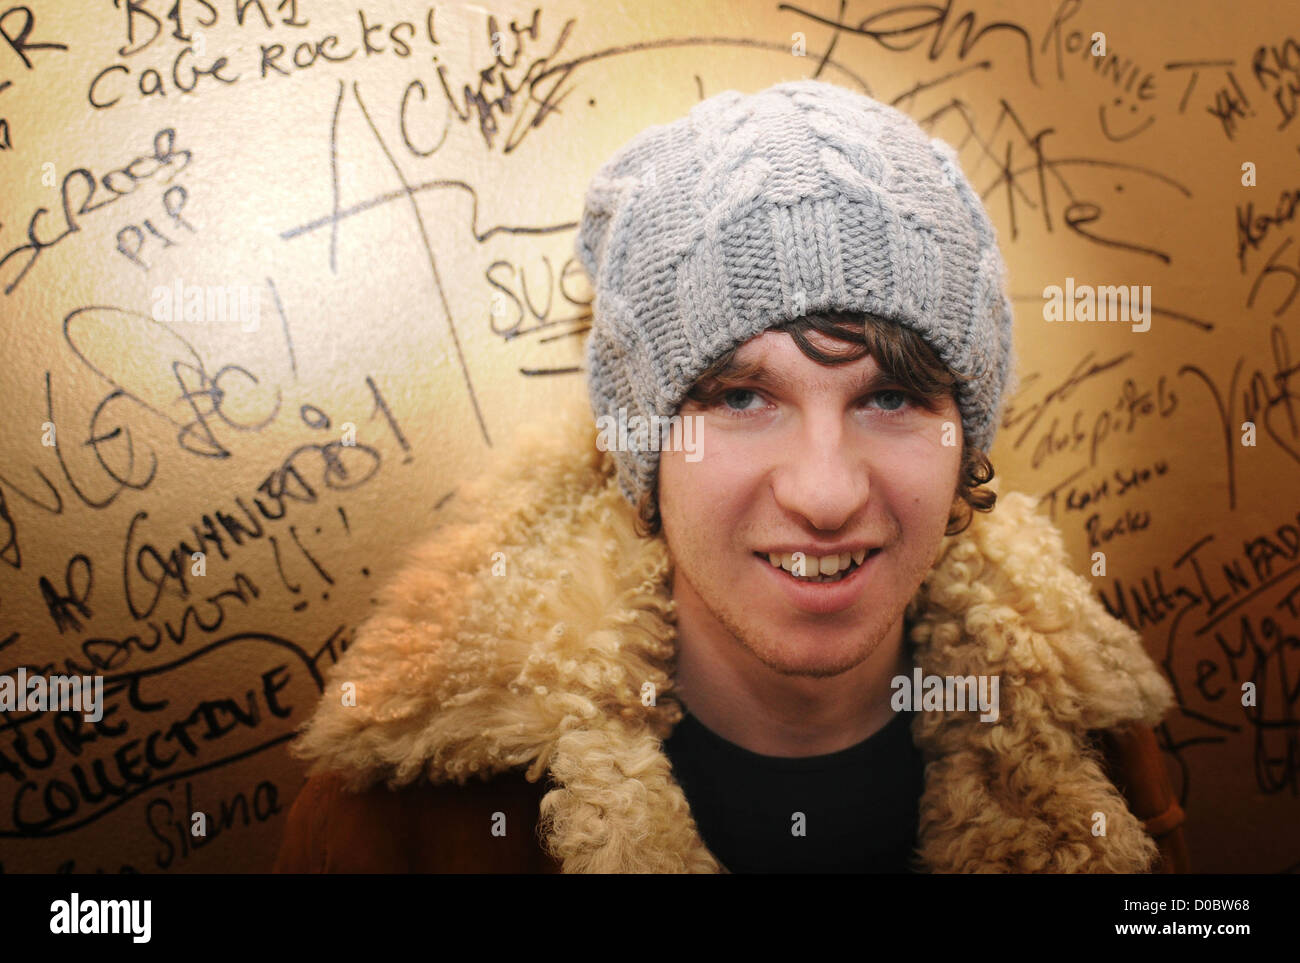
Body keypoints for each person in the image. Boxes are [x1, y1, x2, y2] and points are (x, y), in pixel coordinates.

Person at [273, 78, 1187, 874]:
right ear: (641, 453)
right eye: (742, 398)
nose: (825, 494)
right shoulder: (402, 819)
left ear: (966, 445)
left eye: (893, 397)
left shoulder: (1097, 751)